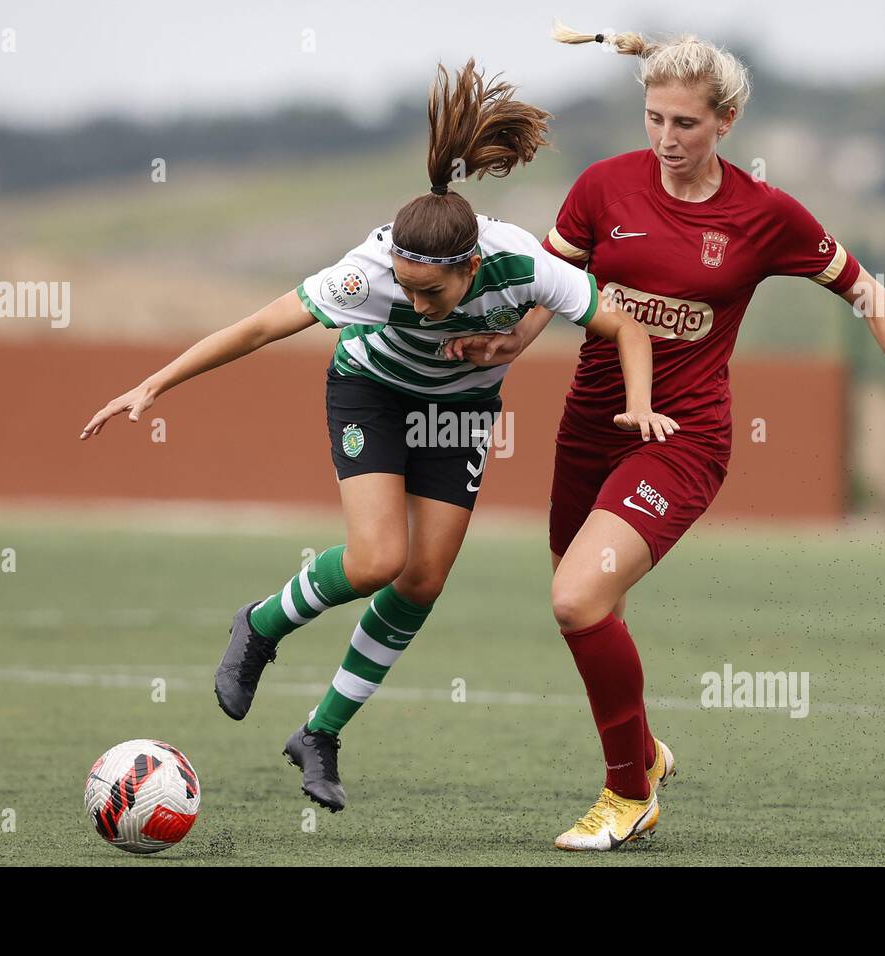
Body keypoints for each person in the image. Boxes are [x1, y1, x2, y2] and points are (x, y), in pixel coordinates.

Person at [79, 59, 674, 814]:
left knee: (422, 581)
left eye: (433, 292)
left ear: (473, 265)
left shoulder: (523, 263)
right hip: (372, 396)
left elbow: (622, 323)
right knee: (376, 560)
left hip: (458, 414)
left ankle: (320, 733)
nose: (417, 304)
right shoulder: (367, 276)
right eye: (406, 287)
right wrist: (152, 385)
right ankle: (259, 627)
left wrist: (643, 405)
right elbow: (260, 327)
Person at [443, 24, 885, 850]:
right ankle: (644, 755)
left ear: (725, 122)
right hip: (590, 427)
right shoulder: (602, 188)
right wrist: (505, 343)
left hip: (683, 440)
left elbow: (873, 296)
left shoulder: (764, 216)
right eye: (654, 118)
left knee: (574, 598)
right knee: (588, 608)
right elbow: (548, 286)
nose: (664, 139)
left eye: (684, 124)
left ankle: (628, 794)